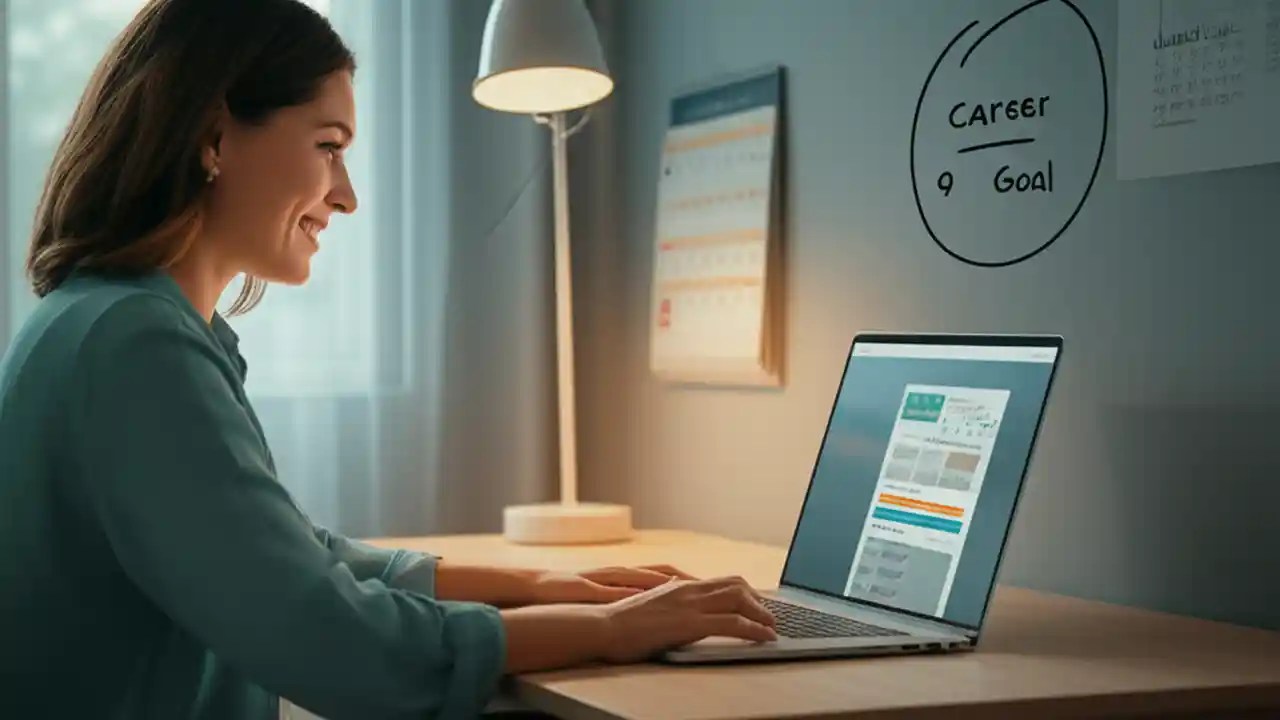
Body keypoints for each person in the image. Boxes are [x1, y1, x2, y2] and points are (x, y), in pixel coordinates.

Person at [0, 0, 778, 718]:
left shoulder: (105, 319)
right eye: (327, 147)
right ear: (213, 135)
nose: (346, 197)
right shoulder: (137, 347)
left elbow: (294, 558)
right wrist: (605, 629)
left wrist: (537, 585)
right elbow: (329, 636)